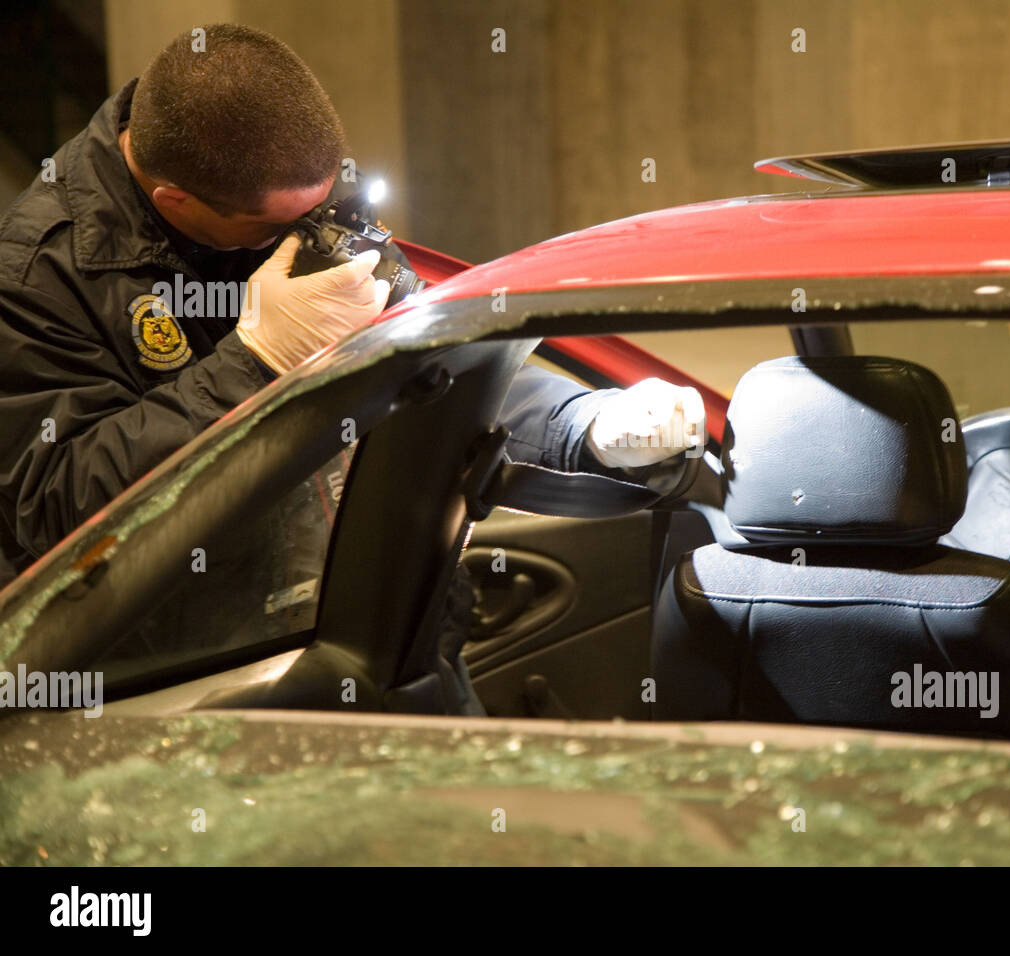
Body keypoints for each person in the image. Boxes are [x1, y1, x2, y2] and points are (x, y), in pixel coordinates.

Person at [0, 25, 705, 711]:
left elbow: (430, 356)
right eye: (275, 229)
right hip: (182, 681)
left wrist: (582, 423)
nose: (306, 238)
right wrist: (257, 364)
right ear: (176, 203)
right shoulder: (38, 276)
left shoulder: (283, 191)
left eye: (322, 207)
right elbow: (58, 511)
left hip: (359, 632)